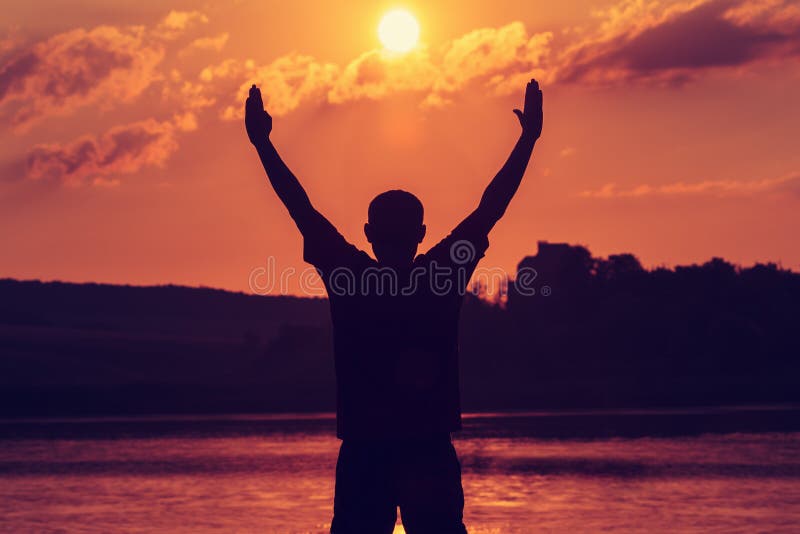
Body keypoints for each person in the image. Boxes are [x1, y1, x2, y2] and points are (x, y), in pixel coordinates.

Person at [245, 79, 543, 534]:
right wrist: (527, 141)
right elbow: (491, 207)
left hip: (365, 449)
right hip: (427, 446)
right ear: (422, 233)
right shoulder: (441, 275)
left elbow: (298, 207)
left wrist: (264, 145)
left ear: (368, 233)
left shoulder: (350, 277)